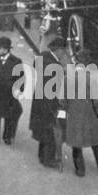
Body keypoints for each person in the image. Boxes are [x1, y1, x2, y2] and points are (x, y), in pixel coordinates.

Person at [63, 48, 98, 178]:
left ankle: (80, 170)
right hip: (90, 116)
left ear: (76, 61)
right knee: (96, 143)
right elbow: (97, 102)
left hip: (74, 115)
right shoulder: (92, 79)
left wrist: (68, 110)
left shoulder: (68, 78)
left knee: (76, 145)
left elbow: (63, 100)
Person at [30, 34, 65, 169]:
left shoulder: (44, 56)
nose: (63, 54)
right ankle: (48, 159)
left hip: (39, 100)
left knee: (43, 130)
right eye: (63, 51)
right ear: (59, 50)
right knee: (50, 132)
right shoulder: (56, 66)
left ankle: (41, 155)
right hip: (49, 103)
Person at [0, 36, 23, 146]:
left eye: (0, 48)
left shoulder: (16, 61)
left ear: (6, 49)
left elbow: (20, 79)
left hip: (9, 94)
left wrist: (18, 92)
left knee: (9, 116)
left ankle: (7, 136)